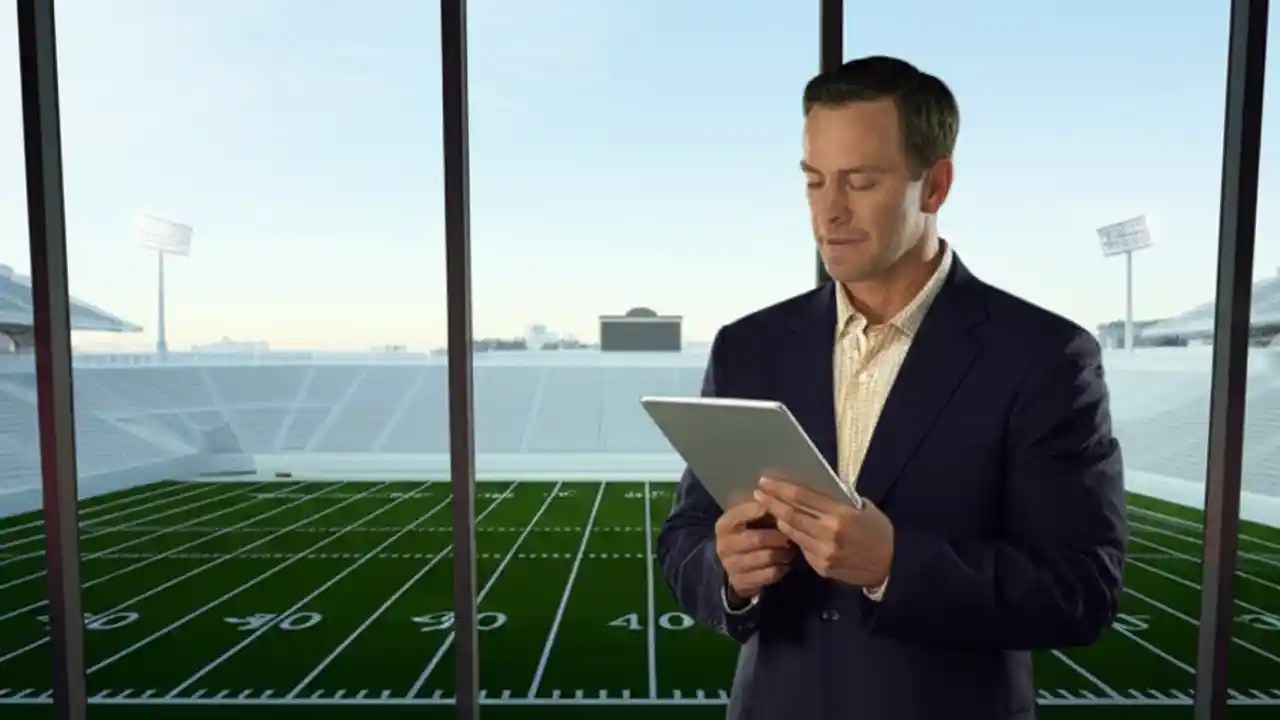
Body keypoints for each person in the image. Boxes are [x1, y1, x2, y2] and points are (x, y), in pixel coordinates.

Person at [655, 55, 1128, 719]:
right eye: (815, 182)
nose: (831, 212)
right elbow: (684, 537)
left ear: (934, 186)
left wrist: (893, 564)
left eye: (861, 182)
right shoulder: (748, 346)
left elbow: (1083, 589)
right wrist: (726, 571)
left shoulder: (1044, 356)